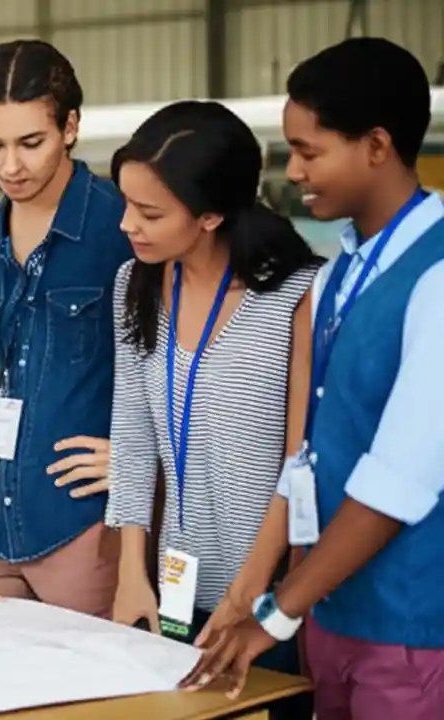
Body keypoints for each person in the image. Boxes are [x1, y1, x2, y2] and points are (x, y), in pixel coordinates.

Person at [183, 38, 444, 719]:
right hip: (328, 623)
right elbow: (309, 455)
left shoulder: (438, 278)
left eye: (310, 150)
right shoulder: (335, 278)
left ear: (377, 146)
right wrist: (261, 595)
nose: (293, 170)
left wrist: (273, 613)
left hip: (411, 634)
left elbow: (398, 483)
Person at [104, 99, 321, 717]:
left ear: (211, 215)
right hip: (173, 584)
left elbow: (299, 458)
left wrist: (250, 592)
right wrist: (129, 572)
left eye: (148, 212)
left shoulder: (295, 296)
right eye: (126, 204)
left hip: (269, 596)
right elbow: (134, 434)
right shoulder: (135, 285)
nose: (127, 224)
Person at [0, 39, 133, 618]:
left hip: (82, 519)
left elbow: (182, 357)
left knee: (101, 703)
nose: (10, 165)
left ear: (70, 126)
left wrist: (140, 458)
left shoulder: (123, 226)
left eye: (30, 142)